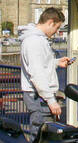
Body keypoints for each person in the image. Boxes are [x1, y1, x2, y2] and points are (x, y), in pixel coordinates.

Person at [19, 7, 72, 135]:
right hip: (38, 96)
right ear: (50, 22)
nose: (56, 31)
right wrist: (51, 101)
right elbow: (37, 74)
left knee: (44, 134)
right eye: (57, 27)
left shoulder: (37, 40)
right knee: (41, 135)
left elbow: (40, 65)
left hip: (39, 95)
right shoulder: (34, 42)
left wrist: (56, 62)